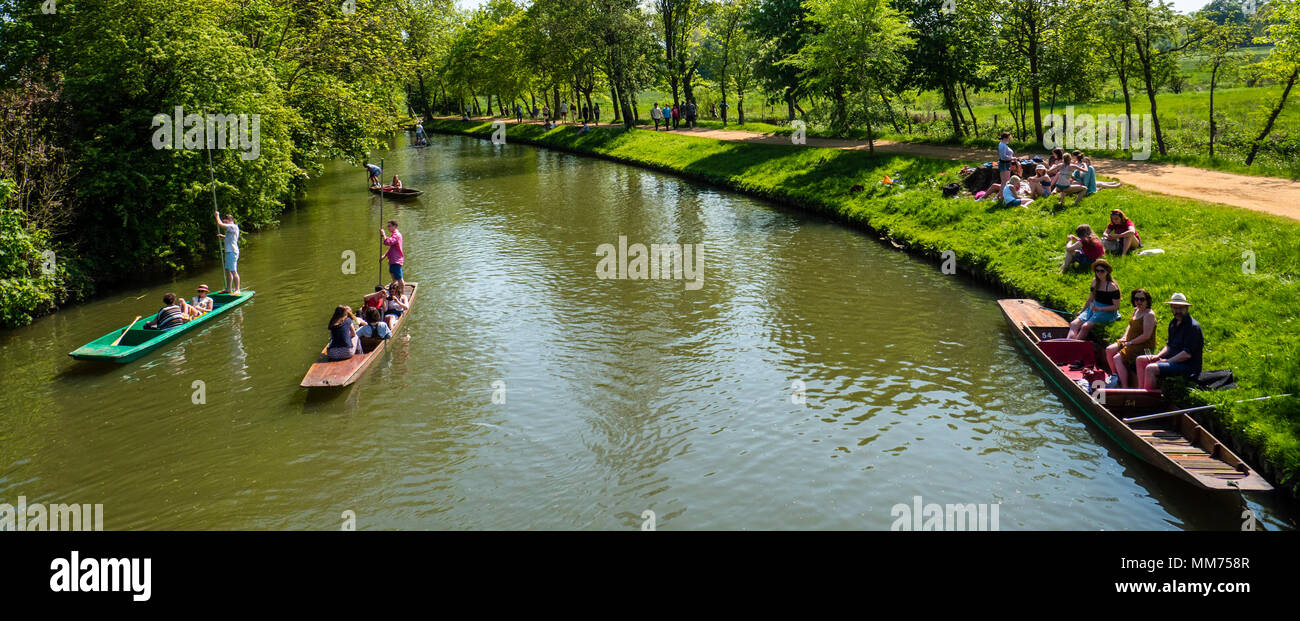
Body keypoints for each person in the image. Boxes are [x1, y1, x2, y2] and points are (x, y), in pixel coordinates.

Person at [1137, 293, 1203, 389]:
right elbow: (1169, 346)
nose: (1178, 311)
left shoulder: (1193, 327)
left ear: (1186, 308)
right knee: (1140, 360)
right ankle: (1139, 391)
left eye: (1181, 308)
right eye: (1175, 308)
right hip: (1173, 360)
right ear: (1171, 308)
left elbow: (1186, 354)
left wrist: (1167, 361)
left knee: (1151, 368)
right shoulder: (1173, 323)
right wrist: (1158, 356)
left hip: (1188, 367)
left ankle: (1147, 398)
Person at [1105, 288, 1158, 388]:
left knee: (1117, 358)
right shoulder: (1136, 311)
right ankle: (1115, 376)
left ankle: (1124, 387)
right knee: (1109, 350)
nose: (1138, 302)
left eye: (1142, 299)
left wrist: (1131, 342)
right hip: (1130, 342)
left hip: (1142, 345)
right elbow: (1130, 326)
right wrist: (1124, 337)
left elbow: (1146, 336)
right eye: (1136, 299)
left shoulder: (1149, 314)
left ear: (1147, 300)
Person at [1067, 259, 1121, 340]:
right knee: (1073, 324)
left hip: (1107, 311)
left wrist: (1100, 308)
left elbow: (1116, 306)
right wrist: (1082, 311)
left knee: (1085, 327)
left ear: (1107, 271)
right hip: (1094, 308)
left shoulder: (1111, 286)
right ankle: (1068, 343)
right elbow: (1090, 299)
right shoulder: (1094, 282)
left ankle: (1074, 346)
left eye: (1102, 271)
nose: (1099, 273)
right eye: (1097, 271)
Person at [215, 210, 241, 294]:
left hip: (232, 251)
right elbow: (231, 237)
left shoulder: (232, 226)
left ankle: (237, 289)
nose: (224, 223)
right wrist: (224, 236)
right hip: (228, 251)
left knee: (233, 270)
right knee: (227, 270)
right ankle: (228, 288)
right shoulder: (231, 228)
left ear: (229, 220)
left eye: (225, 221)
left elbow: (220, 224)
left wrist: (216, 216)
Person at [381, 219, 405, 293]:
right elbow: (391, 248)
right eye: (388, 226)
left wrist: (384, 234)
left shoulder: (396, 235)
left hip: (396, 260)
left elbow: (388, 242)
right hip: (392, 260)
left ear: (394, 226)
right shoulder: (394, 235)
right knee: (392, 275)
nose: (388, 228)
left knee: (399, 278)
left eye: (389, 226)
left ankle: (402, 293)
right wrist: (384, 256)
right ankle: (395, 291)